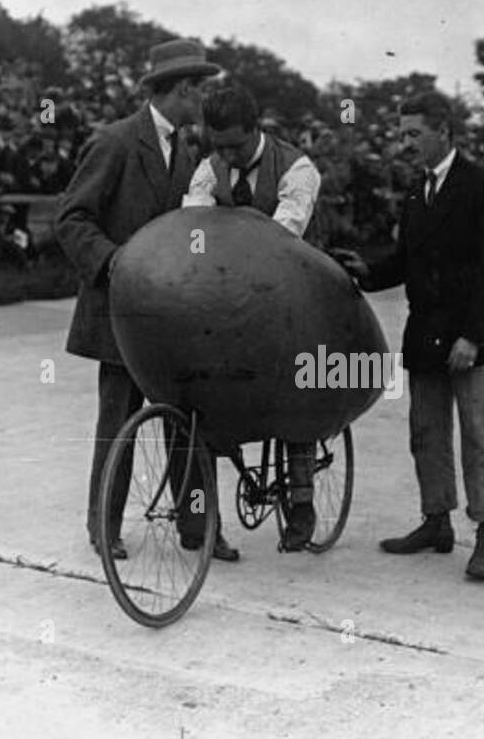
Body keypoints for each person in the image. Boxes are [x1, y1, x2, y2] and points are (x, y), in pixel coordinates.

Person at [55, 39, 239, 562]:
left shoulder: (189, 152)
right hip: (117, 314)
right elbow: (72, 218)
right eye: (199, 89)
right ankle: (103, 526)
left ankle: (197, 526)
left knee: (190, 423)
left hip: (172, 319)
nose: (203, 99)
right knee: (118, 422)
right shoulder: (114, 143)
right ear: (180, 90)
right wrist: (113, 263)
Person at [332, 91, 484, 581]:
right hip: (427, 338)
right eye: (402, 134)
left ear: (444, 132)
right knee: (427, 434)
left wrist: (474, 337)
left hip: (474, 342)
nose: (405, 143)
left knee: (480, 437)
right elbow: (407, 261)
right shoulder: (417, 193)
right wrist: (366, 272)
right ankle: (436, 522)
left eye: (414, 133)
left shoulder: (482, 186)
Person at [182, 83, 324, 550]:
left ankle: (301, 503)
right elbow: (193, 225)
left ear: (256, 128)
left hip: (292, 292)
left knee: (298, 394)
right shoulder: (211, 166)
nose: (228, 156)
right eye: (218, 146)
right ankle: (204, 516)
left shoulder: (298, 169)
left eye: (236, 146)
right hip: (232, 295)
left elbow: (281, 239)